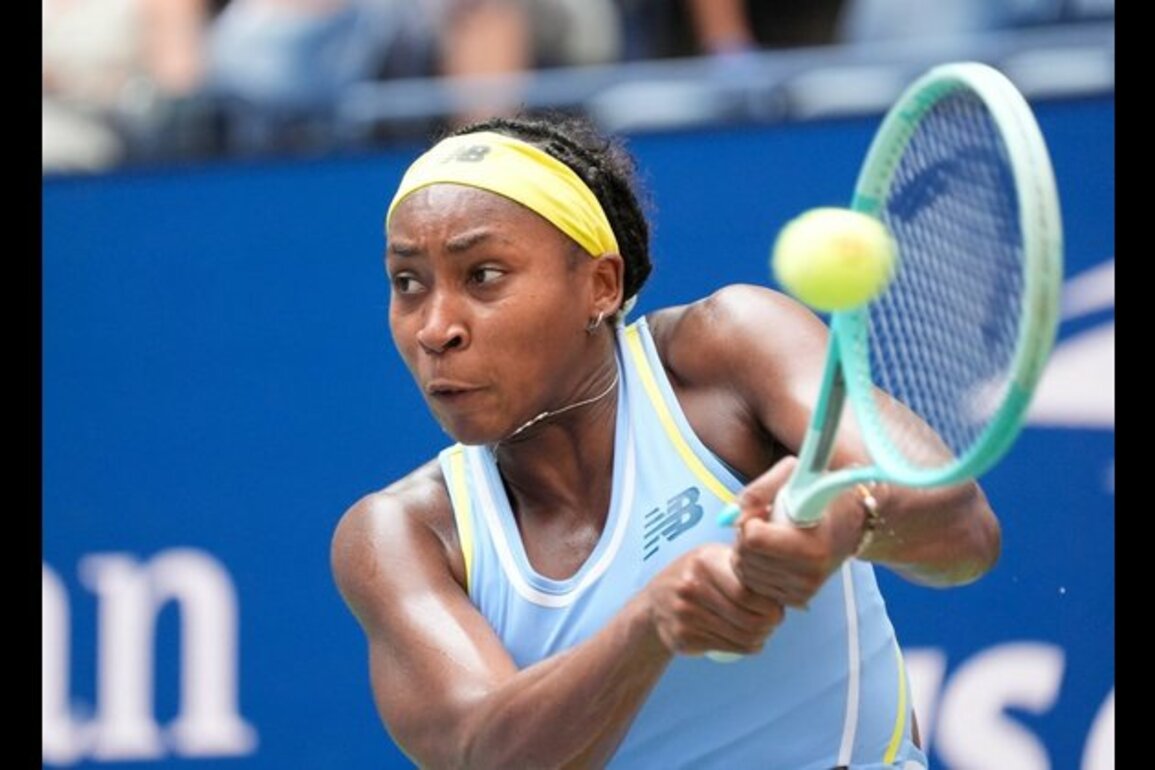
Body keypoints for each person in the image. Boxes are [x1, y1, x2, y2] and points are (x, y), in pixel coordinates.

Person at [330, 111, 1001, 768]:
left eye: (483, 275)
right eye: (407, 283)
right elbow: (478, 753)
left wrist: (847, 518)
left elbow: (964, 533)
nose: (434, 328)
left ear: (600, 285)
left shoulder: (726, 349)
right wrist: (648, 625)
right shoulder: (399, 534)